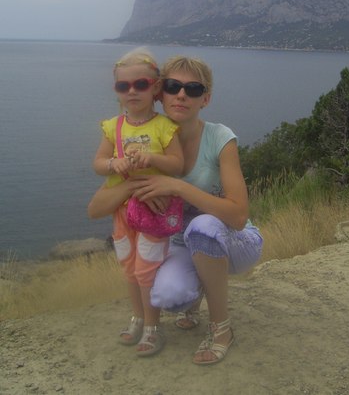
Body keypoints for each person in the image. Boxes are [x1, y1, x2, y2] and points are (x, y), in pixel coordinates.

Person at [88, 55, 263, 365]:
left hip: (234, 240)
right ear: (160, 93)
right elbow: (95, 209)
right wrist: (132, 187)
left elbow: (237, 216)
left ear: (205, 99)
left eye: (193, 89)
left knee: (202, 227)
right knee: (167, 295)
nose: (181, 95)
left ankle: (221, 329)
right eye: (173, 86)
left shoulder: (220, 139)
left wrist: (177, 187)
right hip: (181, 244)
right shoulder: (146, 146)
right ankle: (195, 295)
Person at [92, 47, 184, 357]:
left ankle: (152, 327)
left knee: (147, 268)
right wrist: (113, 164)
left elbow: (177, 165)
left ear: (155, 87)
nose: (132, 91)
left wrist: (152, 158)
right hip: (122, 212)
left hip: (152, 211)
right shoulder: (113, 127)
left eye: (140, 84)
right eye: (123, 86)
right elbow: (98, 163)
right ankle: (138, 317)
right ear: (117, 90)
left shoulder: (164, 127)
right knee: (129, 267)